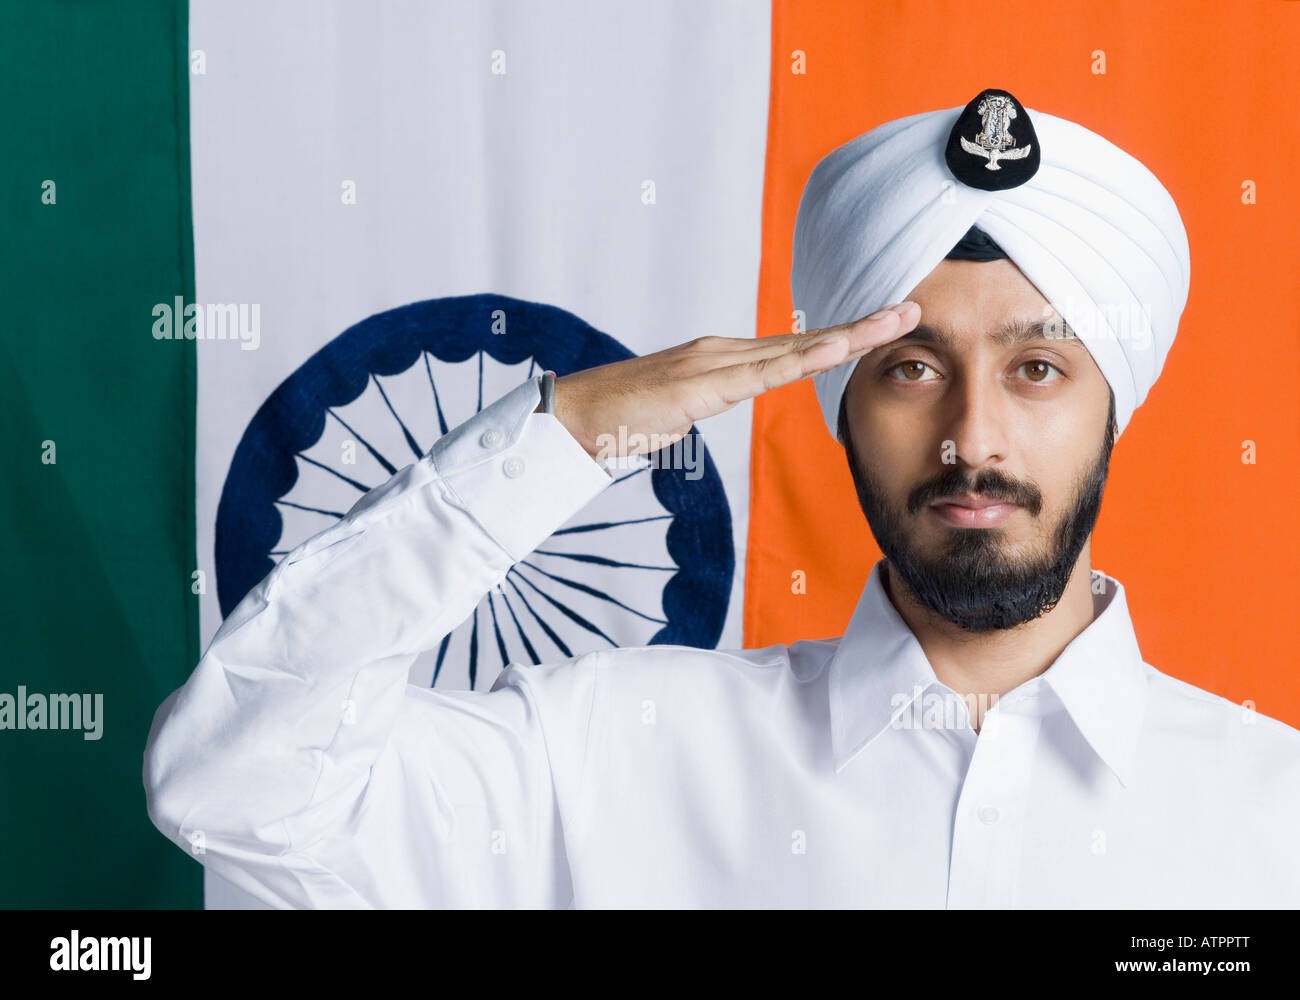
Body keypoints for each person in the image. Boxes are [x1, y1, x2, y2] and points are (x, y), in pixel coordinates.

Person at [143, 88, 1300, 908]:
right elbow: (236, 784)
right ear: (841, 405)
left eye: (1036, 369)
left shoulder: (1272, 810)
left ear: (1116, 407)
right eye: (910, 367)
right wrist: (566, 433)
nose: (971, 439)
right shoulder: (610, 753)